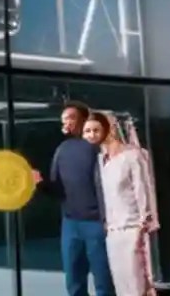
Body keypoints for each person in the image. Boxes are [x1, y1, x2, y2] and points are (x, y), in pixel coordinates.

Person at [32, 102, 115, 296]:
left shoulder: (99, 148)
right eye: (64, 118)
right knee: (74, 281)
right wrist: (40, 183)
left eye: (71, 117)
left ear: (85, 120)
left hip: (97, 224)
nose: (66, 122)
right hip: (70, 224)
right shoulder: (62, 149)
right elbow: (57, 190)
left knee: (103, 280)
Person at [84, 111, 159, 296]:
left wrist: (144, 225)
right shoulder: (102, 161)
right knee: (121, 286)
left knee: (138, 287)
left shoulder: (133, 156)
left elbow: (144, 192)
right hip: (113, 232)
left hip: (133, 230)